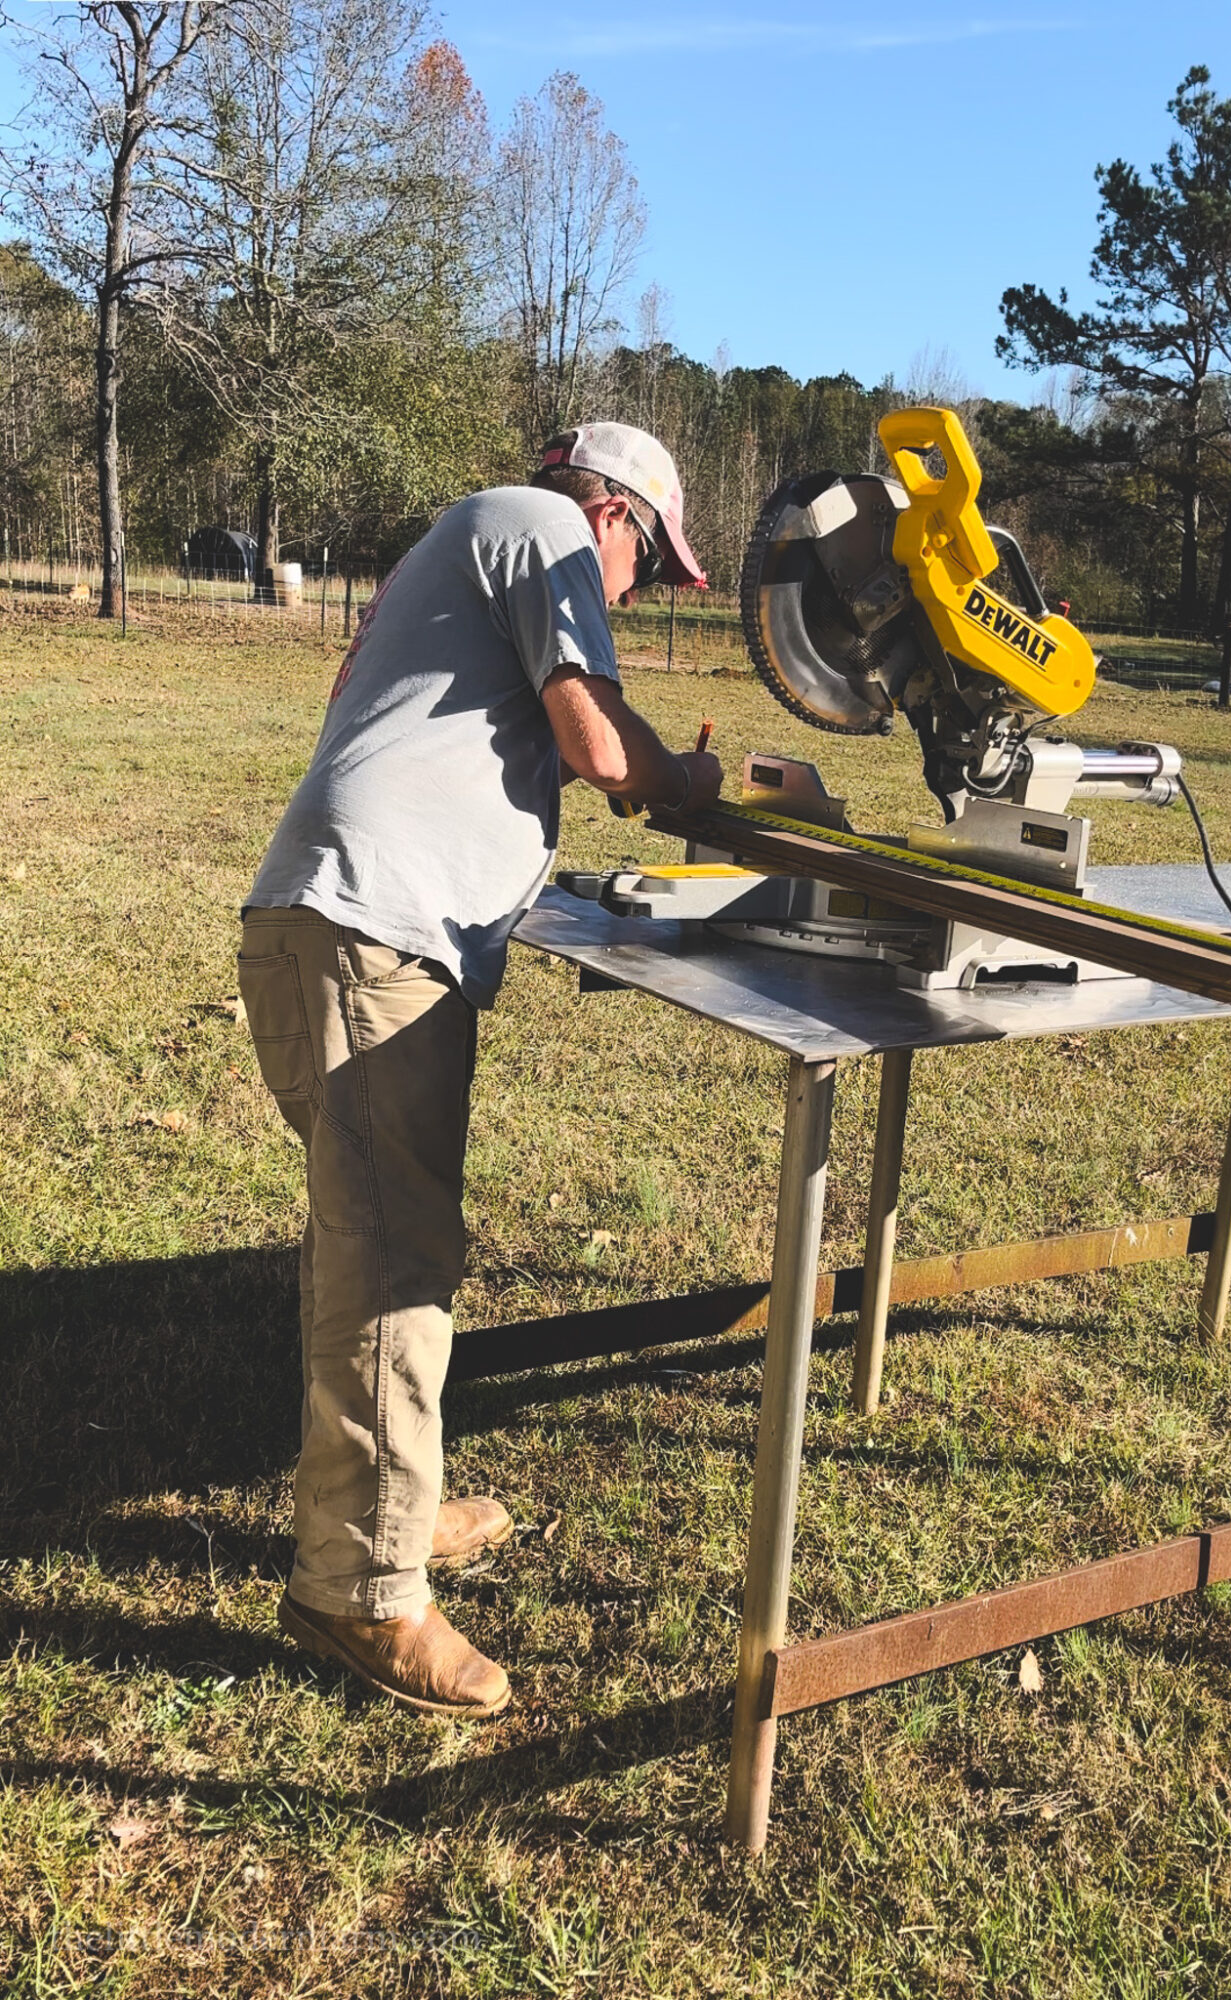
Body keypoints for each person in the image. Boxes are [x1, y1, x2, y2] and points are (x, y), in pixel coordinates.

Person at [237, 423, 723, 1719]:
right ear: (613, 515)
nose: (630, 597)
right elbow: (600, 743)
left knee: (374, 1244)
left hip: (336, 929)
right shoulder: (542, 525)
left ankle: (387, 1509)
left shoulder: (474, 547)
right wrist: (690, 779)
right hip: (370, 941)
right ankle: (362, 1592)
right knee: (393, 1266)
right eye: (646, 567)